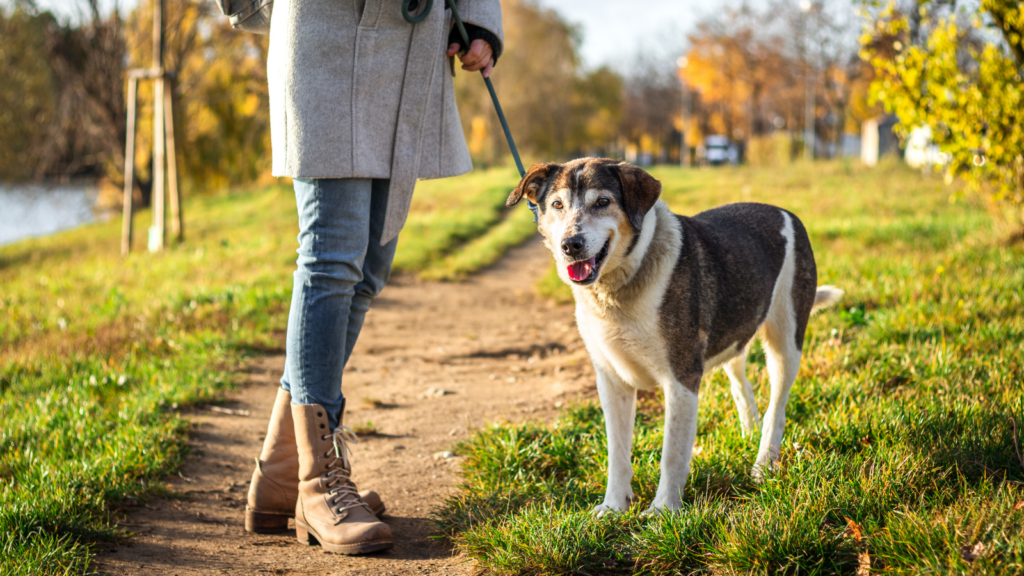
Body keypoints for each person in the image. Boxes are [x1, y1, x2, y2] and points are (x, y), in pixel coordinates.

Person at [241, 0, 503, 555]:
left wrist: (478, 20)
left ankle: (280, 475)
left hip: (407, 46)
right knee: (331, 259)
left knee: (367, 271)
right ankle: (317, 483)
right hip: (323, 34)